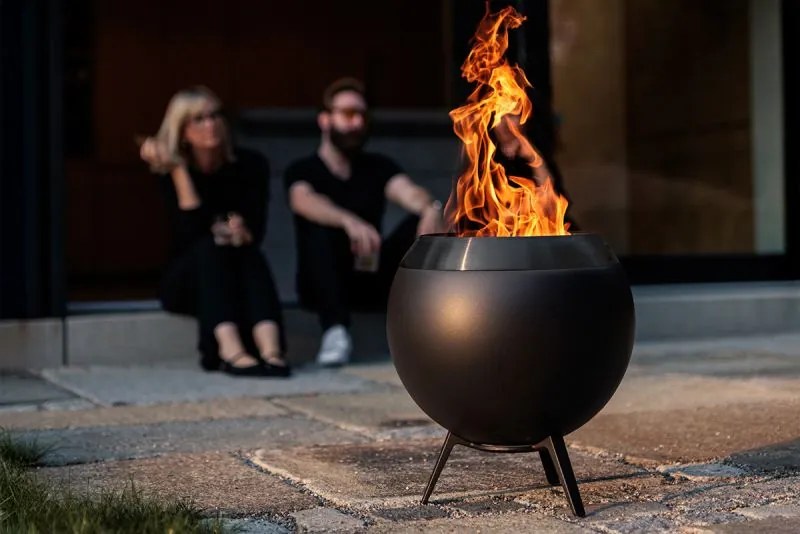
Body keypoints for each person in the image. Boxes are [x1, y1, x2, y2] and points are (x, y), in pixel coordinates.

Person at [284, 77, 444, 367]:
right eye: (347, 114)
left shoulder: (379, 167)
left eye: (361, 115)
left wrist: (431, 208)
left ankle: (437, 324)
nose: (356, 122)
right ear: (325, 120)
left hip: (369, 277)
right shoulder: (303, 169)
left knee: (418, 223)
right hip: (322, 284)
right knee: (320, 226)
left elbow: (410, 192)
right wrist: (348, 221)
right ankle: (335, 330)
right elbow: (303, 200)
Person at [139, 85, 290, 377]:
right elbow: (189, 235)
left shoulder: (250, 164)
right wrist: (178, 169)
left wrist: (241, 231)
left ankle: (271, 350)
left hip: (236, 271)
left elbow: (257, 231)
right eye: (199, 120)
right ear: (182, 131)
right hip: (187, 281)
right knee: (209, 248)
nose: (211, 125)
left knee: (246, 251)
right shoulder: (172, 173)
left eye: (215, 116)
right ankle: (229, 348)